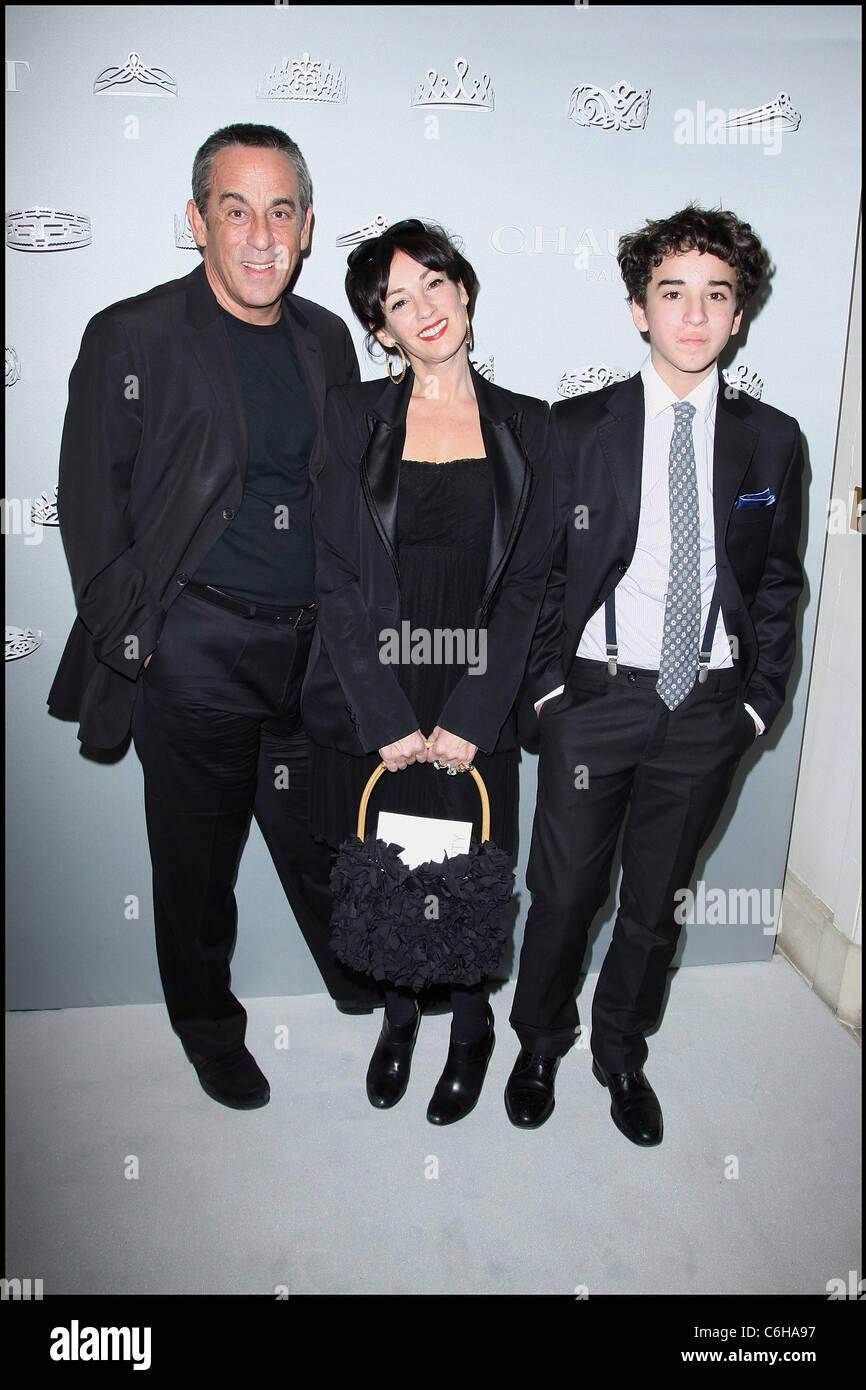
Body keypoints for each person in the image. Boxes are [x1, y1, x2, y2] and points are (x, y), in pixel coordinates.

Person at [48, 123, 382, 1111]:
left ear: (308, 225)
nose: (260, 237)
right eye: (235, 211)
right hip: (196, 651)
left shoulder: (326, 337)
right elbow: (90, 506)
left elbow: (340, 492)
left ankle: (358, 978)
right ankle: (208, 1032)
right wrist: (144, 642)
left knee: (326, 838)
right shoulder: (133, 335)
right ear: (196, 221)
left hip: (310, 652)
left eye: (281, 211)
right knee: (197, 872)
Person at [508, 205, 804, 1144]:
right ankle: (540, 1043)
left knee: (655, 904)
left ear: (739, 315)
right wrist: (551, 693)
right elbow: (539, 574)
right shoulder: (575, 429)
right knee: (564, 895)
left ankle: (621, 1052)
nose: (695, 314)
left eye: (716, 295)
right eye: (673, 293)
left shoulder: (774, 440)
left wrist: (755, 706)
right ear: (640, 309)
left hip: (707, 709)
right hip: (595, 701)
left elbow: (779, 583)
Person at [302, 219, 552, 1125]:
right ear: (381, 329)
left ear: (465, 289)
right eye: (398, 301)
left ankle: (473, 1024)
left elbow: (528, 583)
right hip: (383, 681)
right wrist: (381, 711)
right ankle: (401, 1015)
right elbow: (333, 572)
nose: (425, 309)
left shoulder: (530, 422)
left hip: (479, 683)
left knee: (473, 861)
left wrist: (478, 710)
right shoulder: (351, 417)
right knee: (393, 861)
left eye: (435, 283)